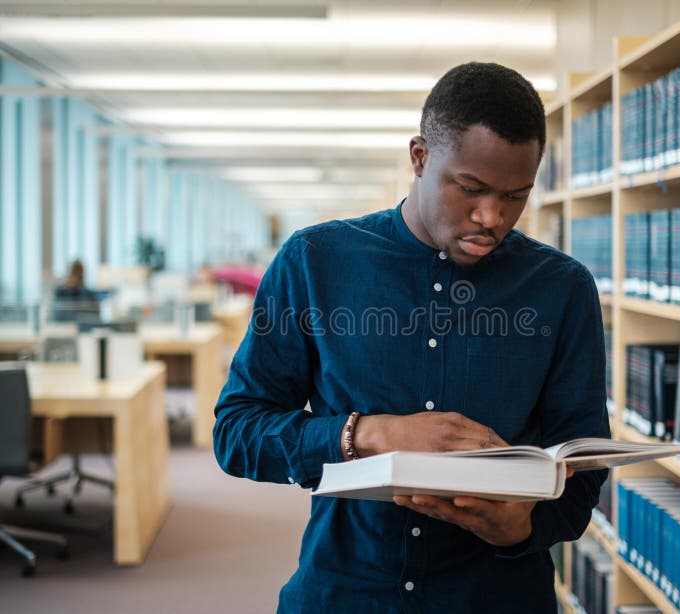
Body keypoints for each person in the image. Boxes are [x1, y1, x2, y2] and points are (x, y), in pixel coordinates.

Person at [213, 62, 610, 613]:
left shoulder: (562, 289)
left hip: (497, 597)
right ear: (420, 157)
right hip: (345, 593)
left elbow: (584, 473)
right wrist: (369, 435)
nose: (492, 217)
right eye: (470, 188)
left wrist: (520, 526)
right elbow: (237, 432)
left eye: (515, 196)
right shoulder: (314, 262)